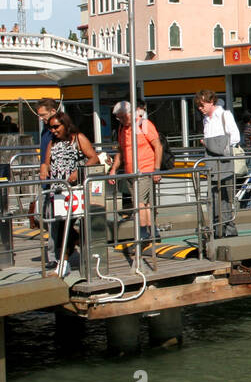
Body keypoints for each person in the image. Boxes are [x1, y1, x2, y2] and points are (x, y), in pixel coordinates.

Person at [39, 112, 99, 270]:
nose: (53, 130)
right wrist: (44, 169)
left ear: (65, 124)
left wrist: (78, 172)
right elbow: (46, 162)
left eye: (56, 127)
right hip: (57, 190)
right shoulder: (52, 143)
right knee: (58, 225)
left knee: (68, 224)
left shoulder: (78, 138)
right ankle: (66, 254)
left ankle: (65, 260)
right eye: (50, 127)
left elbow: (93, 158)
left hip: (75, 190)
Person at [111, 100, 162, 246]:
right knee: (143, 203)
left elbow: (157, 146)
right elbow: (121, 151)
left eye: (123, 117)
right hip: (130, 172)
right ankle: (151, 232)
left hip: (145, 170)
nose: (121, 120)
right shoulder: (122, 129)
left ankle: (144, 233)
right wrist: (114, 168)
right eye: (118, 118)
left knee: (140, 203)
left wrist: (156, 169)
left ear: (130, 113)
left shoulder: (144, 124)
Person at [195, 89, 240, 239]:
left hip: (223, 162)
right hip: (211, 163)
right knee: (213, 196)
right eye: (199, 106)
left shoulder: (224, 115)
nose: (200, 108)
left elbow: (235, 137)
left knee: (224, 196)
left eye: (202, 105)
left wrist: (212, 144)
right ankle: (218, 228)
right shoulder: (206, 119)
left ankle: (228, 228)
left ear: (211, 101)